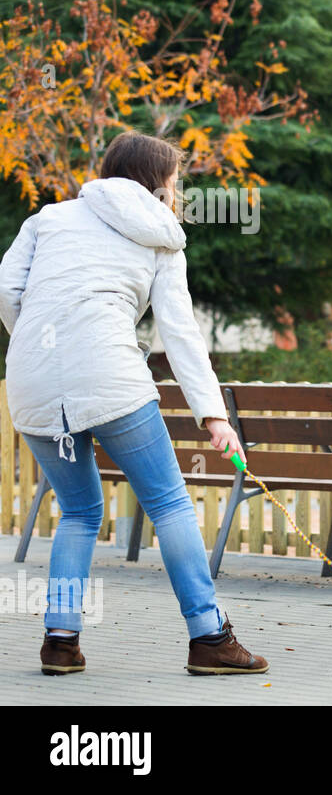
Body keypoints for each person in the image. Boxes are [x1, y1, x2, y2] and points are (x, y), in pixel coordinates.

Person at [0, 130, 266, 676]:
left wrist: (35, 340)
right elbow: (181, 332)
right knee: (168, 503)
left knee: (76, 512)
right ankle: (210, 637)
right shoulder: (162, 236)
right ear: (159, 184)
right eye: (175, 183)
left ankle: (61, 640)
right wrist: (214, 415)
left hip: (30, 380)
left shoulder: (47, 218)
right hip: (112, 376)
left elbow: (6, 290)